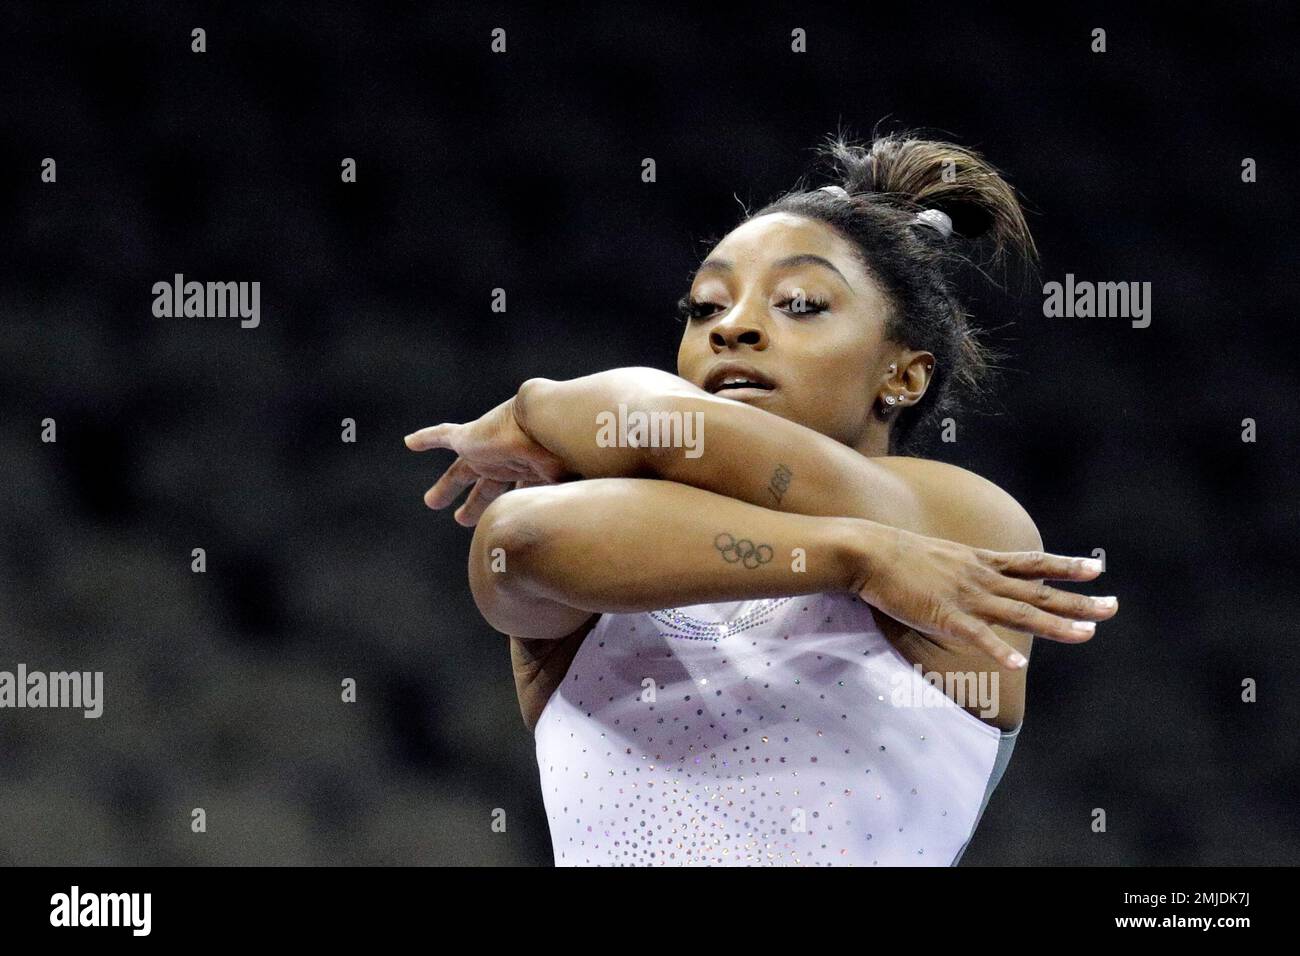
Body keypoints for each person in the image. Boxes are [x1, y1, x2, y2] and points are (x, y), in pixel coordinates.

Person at [405, 130, 1118, 866]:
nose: (734, 327)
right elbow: (519, 541)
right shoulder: (620, 538)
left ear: (903, 376)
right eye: (704, 307)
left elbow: (651, 420)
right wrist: (852, 557)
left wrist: (534, 405)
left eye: (801, 303)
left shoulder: (955, 519)